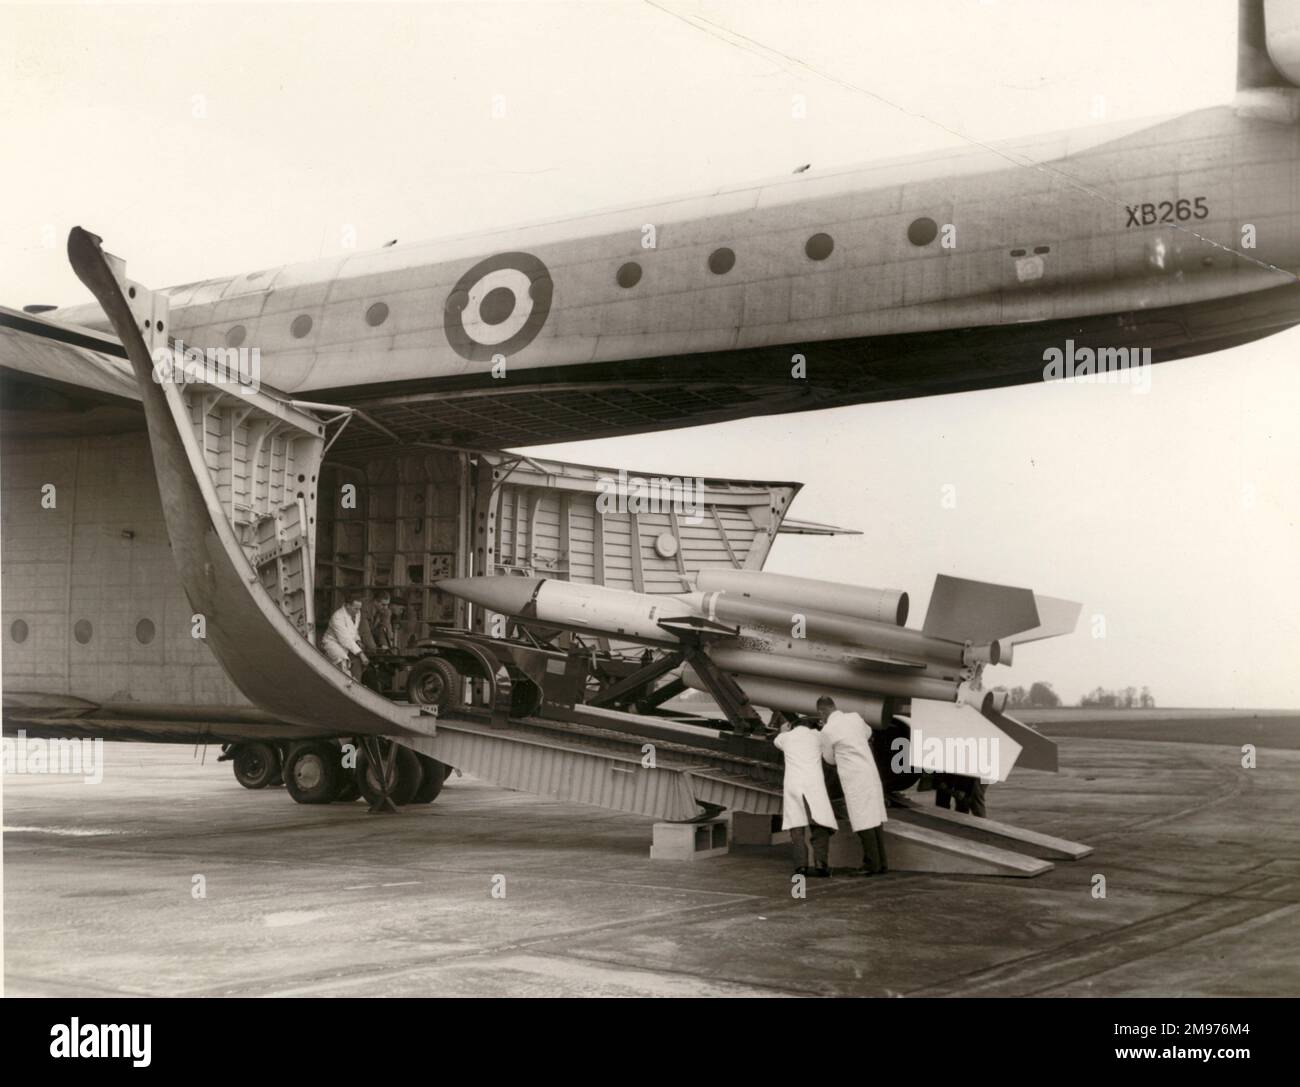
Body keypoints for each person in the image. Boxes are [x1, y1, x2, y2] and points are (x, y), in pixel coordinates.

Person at [818, 696, 889, 876]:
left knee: (863, 820)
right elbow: (868, 733)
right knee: (875, 818)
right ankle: (881, 863)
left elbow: (829, 759)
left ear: (822, 712)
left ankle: (871, 864)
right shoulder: (855, 718)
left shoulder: (827, 730)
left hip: (854, 777)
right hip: (870, 772)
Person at [773, 716, 837, 878]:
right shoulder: (817, 735)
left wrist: (783, 731)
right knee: (820, 824)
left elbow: (777, 741)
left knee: (797, 825)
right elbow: (829, 750)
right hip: (813, 785)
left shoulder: (785, 738)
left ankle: (801, 866)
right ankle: (821, 864)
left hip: (793, 785)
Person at [321, 591, 368, 678]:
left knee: (357, 664)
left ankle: (356, 685)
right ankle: (345, 686)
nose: (358, 611)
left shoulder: (357, 614)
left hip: (347, 645)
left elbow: (354, 631)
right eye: (356, 609)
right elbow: (345, 639)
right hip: (332, 643)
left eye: (359, 609)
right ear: (347, 605)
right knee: (342, 661)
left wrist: (358, 640)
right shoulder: (337, 617)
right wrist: (361, 654)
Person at [359, 589, 395, 656]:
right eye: (383, 604)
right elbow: (365, 632)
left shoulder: (386, 611)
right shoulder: (363, 607)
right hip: (352, 637)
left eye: (387, 604)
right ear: (375, 602)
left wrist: (385, 646)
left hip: (367, 637)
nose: (386, 607)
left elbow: (385, 628)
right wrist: (374, 650)